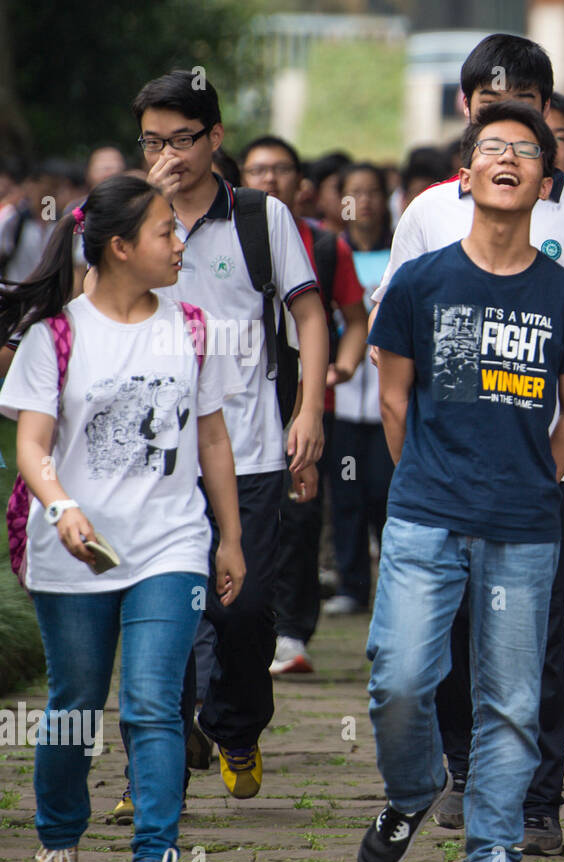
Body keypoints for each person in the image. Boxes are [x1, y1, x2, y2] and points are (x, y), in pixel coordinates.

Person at [369, 33, 564, 855]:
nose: (509, 147)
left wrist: (536, 472)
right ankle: (434, 776)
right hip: (434, 487)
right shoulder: (426, 224)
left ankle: (521, 818)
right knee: (415, 666)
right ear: (465, 128)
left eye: (528, 134)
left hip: (535, 487)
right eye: (492, 128)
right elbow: (393, 368)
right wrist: (422, 468)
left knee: (530, 666)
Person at [0, 175, 244, 862]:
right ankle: (59, 842)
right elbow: (32, 447)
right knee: (74, 705)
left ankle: (153, 861)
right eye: (167, 231)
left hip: (170, 545)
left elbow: (210, 437)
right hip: (73, 552)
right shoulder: (54, 337)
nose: (180, 243)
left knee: (151, 704)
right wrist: (65, 510)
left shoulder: (193, 327)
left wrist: (229, 536)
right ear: (120, 246)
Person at [133, 70, 329, 802]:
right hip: (153, 457)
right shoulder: (130, 215)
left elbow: (309, 315)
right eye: (153, 141)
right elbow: (94, 303)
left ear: (215, 138)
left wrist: (308, 412)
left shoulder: (260, 217)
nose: (168, 154)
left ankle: (236, 725)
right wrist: (142, 213)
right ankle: (157, 768)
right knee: (160, 613)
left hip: (247, 446)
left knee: (241, 610)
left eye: (181, 139)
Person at [238, 135, 368, 671]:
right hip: (238, 398)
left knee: (300, 514)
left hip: (309, 401)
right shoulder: (220, 240)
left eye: (281, 169)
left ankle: (292, 631)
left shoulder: (324, 244)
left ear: (303, 183)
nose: (269, 179)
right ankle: (243, 622)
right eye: (258, 170)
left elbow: (354, 318)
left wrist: (343, 366)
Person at [328, 161, 396, 617]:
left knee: (383, 493)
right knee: (346, 494)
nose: (364, 201)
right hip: (343, 401)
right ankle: (352, 585)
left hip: (387, 401)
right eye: (354, 192)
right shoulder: (333, 254)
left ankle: (391, 584)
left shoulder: (400, 252)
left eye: (372, 191)